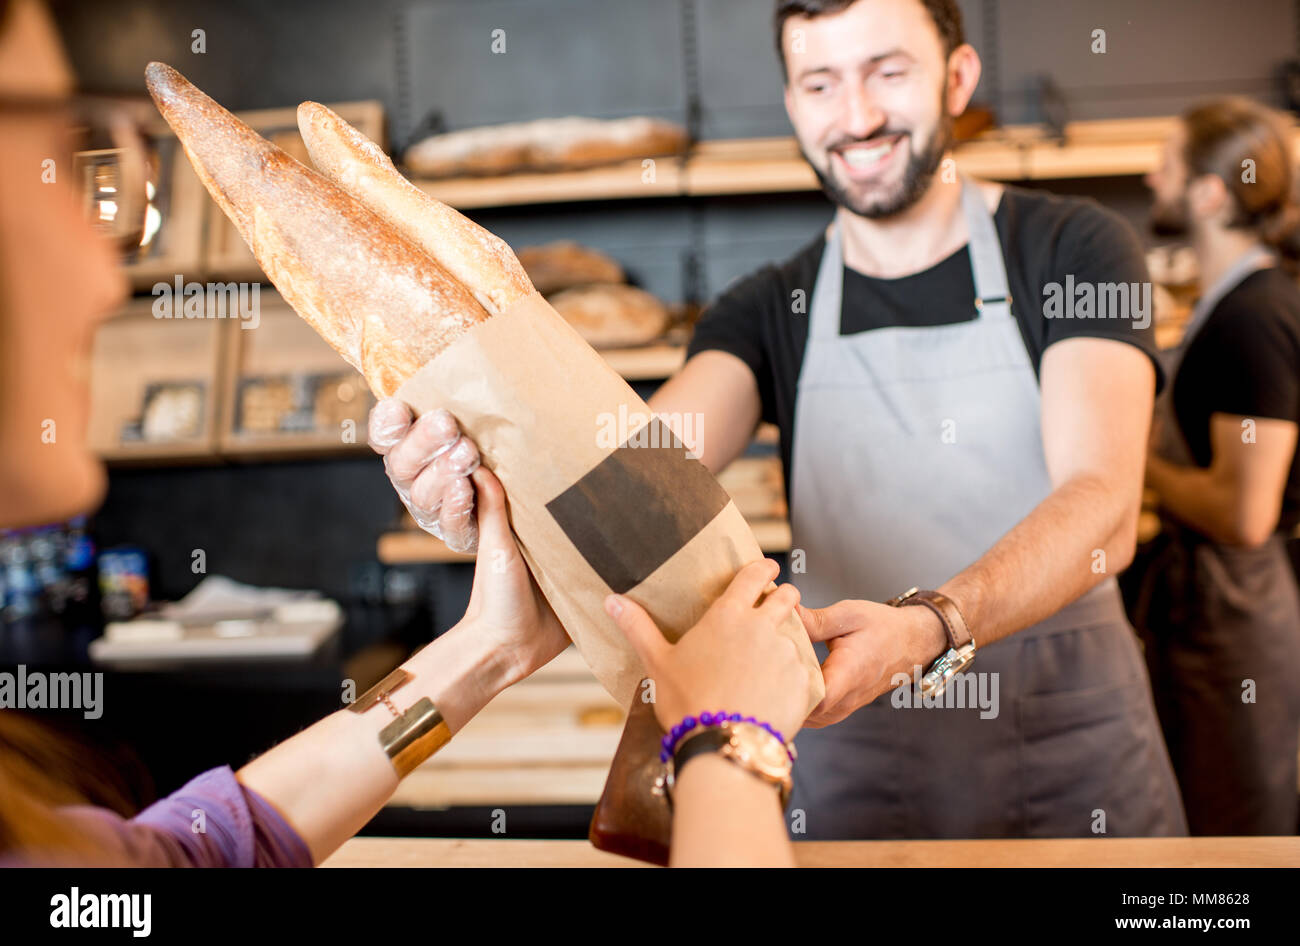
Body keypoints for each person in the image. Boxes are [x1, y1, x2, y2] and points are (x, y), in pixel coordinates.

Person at [0, 0, 811, 867]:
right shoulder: (760, 307)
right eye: (66, 154)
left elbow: (194, 858)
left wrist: (492, 646)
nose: (104, 276)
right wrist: (729, 739)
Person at [376, 0, 1187, 840]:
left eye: (889, 72)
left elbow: (1104, 504)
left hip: (1069, 737)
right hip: (852, 740)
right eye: (821, 82)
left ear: (957, 77)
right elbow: (629, 475)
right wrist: (479, 483)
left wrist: (930, 627)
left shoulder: (1074, 249)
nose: (859, 116)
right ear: (794, 103)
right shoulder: (769, 307)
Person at [1139, 97, 1300, 836]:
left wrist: (1134, 464)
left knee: (1240, 820)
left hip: (1238, 611)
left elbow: (1245, 514)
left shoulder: (1253, 316)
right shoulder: (1229, 302)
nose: (1150, 176)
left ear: (1209, 192)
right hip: (1208, 607)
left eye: (1166, 163)